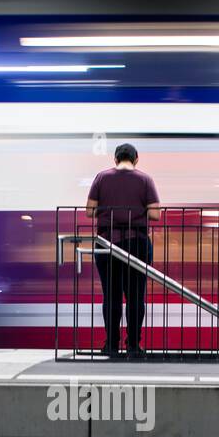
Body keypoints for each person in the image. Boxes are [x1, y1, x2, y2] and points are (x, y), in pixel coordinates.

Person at [85, 143, 161, 359]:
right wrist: (134, 212)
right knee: (136, 296)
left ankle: (111, 344)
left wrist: (110, 212)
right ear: (136, 159)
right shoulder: (145, 179)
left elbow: (89, 211)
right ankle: (134, 345)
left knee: (111, 295)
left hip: (106, 244)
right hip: (136, 243)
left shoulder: (101, 177)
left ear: (115, 159)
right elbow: (155, 215)